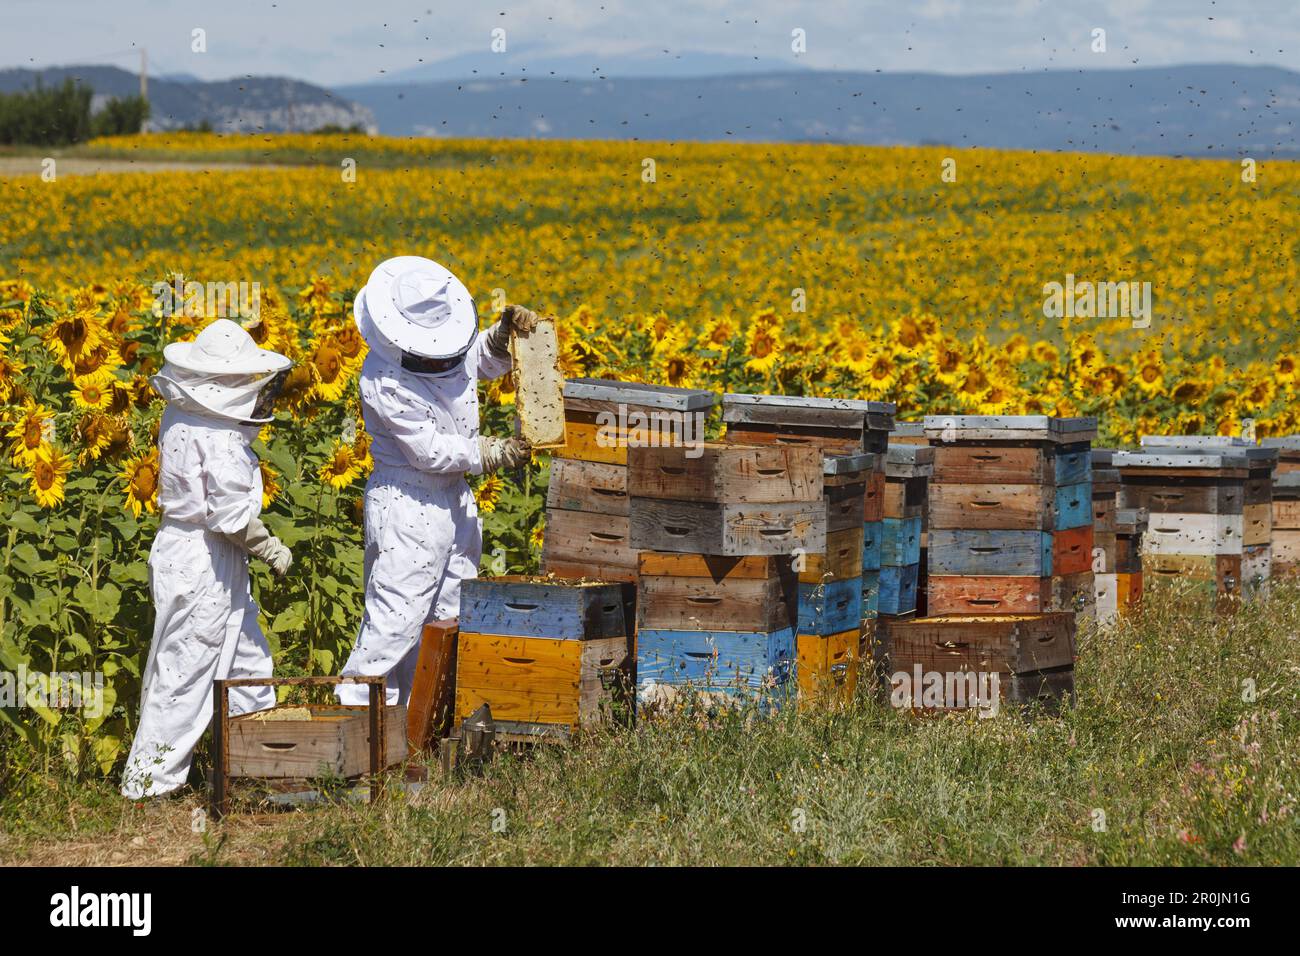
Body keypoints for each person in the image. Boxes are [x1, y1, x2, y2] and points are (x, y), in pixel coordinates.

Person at [337, 256, 533, 706]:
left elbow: (472, 360)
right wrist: (490, 451)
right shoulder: (384, 379)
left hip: (454, 500)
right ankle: (355, 731)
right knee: (395, 620)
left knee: (450, 615)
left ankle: (418, 736)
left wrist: (503, 336)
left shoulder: (444, 351)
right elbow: (427, 451)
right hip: (408, 502)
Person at [121, 319, 294, 799]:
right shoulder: (220, 438)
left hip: (190, 551)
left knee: (247, 660)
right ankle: (150, 784)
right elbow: (230, 516)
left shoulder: (180, 417)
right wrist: (271, 548)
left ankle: (253, 766)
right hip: (202, 557)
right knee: (186, 668)